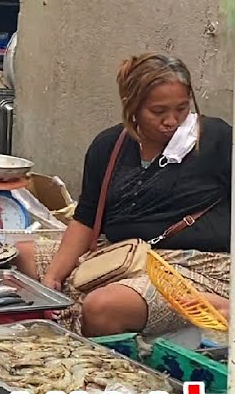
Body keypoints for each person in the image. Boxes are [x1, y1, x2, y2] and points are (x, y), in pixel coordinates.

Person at [40, 54, 230, 337]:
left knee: (103, 307)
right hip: (124, 253)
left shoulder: (215, 139)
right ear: (132, 107)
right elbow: (86, 219)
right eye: (158, 111)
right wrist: (52, 278)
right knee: (19, 256)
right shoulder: (109, 146)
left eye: (181, 108)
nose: (172, 121)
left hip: (198, 266)